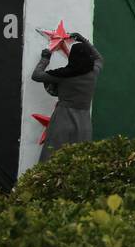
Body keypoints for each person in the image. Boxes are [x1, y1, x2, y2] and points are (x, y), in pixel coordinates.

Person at [31, 32, 103, 161]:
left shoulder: (63, 75)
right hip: (84, 122)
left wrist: (45, 57)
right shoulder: (93, 72)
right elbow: (99, 58)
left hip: (61, 120)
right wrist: (84, 40)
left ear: (72, 57)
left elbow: (36, 75)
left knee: (52, 158)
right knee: (79, 161)